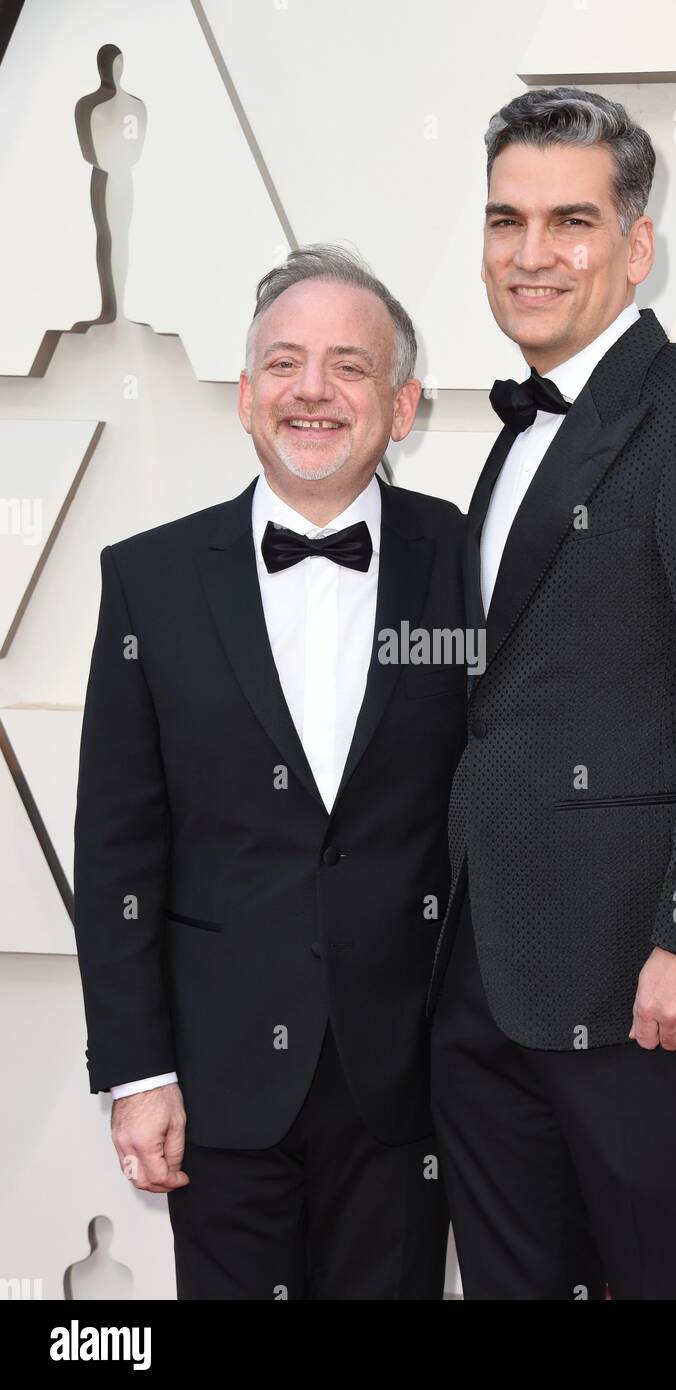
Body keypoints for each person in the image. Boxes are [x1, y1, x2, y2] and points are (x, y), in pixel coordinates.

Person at [428, 87, 676, 1300]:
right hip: (491, 987)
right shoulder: (513, 437)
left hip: (652, 994)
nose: (530, 255)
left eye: (570, 222)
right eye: (505, 221)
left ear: (635, 245)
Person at [73, 244, 467, 1300]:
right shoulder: (147, 580)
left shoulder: (472, 566)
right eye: (285, 363)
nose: (312, 391)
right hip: (217, 1079)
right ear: (247, 397)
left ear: (402, 402)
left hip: (414, 1082)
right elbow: (116, 842)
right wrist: (138, 1071)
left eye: (348, 366)